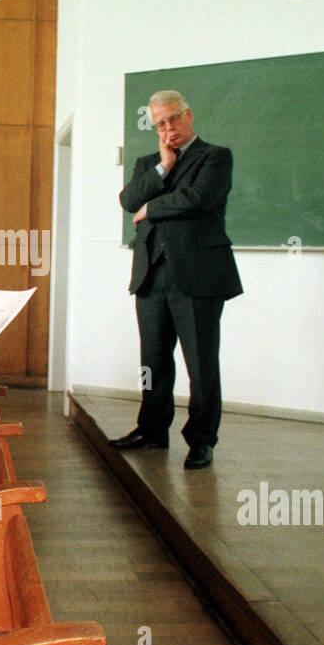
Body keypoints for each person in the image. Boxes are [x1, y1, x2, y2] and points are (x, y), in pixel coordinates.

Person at [110, 90, 242, 470]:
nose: (169, 128)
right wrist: (163, 168)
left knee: (200, 363)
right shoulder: (149, 163)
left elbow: (198, 198)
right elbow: (128, 199)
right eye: (160, 124)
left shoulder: (215, 157)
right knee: (152, 361)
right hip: (152, 274)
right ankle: (151, 430)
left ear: (189, 115)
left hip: (198, 275)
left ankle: (202, 440)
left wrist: (151, 208)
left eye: (174, 119)